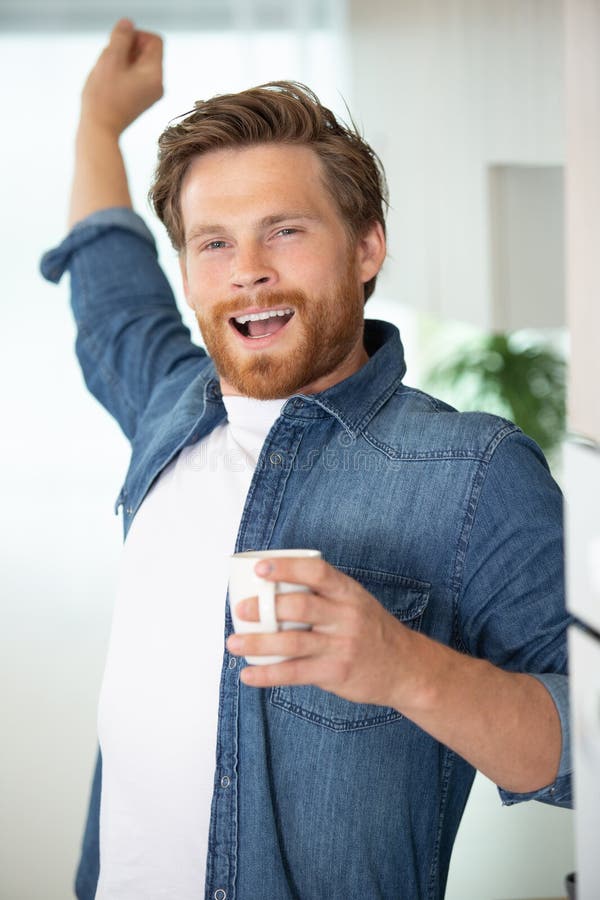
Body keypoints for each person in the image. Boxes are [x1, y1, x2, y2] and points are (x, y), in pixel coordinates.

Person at [41, 19, 572, 900]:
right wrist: (100, 124)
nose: (247, 270)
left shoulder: (473, 472)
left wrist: (407, 668)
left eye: (284, 230)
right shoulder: (170, 408)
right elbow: (107, 288)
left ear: (366, 246)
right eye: (213, 242)